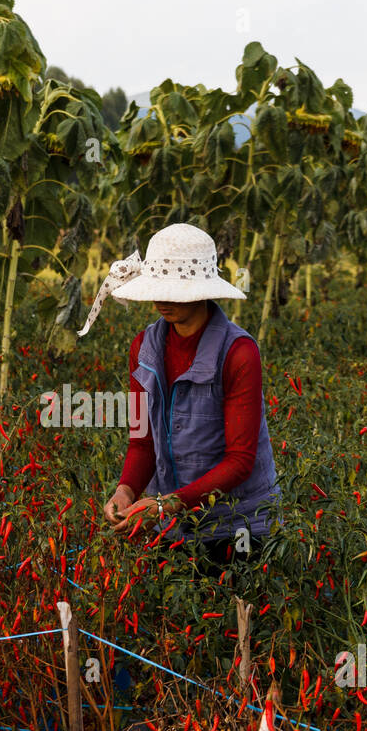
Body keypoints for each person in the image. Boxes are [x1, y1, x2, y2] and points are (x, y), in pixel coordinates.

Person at [78, 223, 280, 578]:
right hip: (171, 528)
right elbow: (142, 443)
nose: (161, 300)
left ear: (202, 292)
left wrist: (164, 505)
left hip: (238, 524)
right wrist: (126, 492)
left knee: (236, 622)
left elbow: (240, 462)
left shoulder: (238, 352)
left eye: (175, 290)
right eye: (158, 288)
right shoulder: (144, 349)